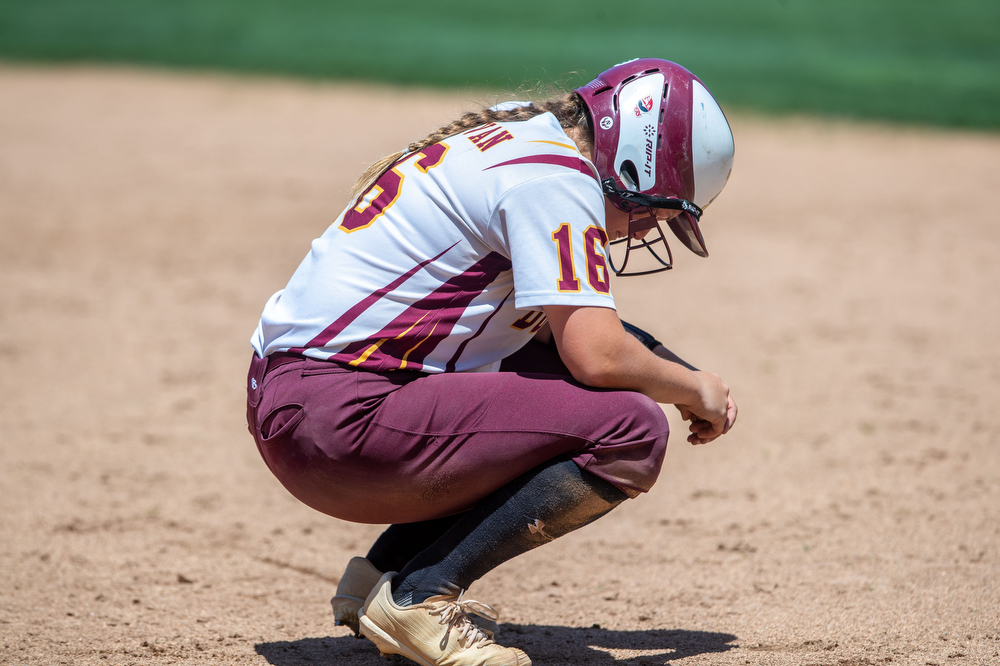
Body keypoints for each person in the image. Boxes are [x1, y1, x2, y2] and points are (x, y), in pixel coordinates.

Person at [246, 57, 738, 666]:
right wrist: (692, 387)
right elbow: (595, 354)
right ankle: (419, 598)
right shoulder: (554, 181)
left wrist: (687, 381)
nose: (643, 229)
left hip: (307, 404)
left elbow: (565, 338)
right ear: (632, 161)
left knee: (551, 401)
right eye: (653, 210)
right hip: (341, 419)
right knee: (630, 430)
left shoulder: (519, 141)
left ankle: (384, 576)